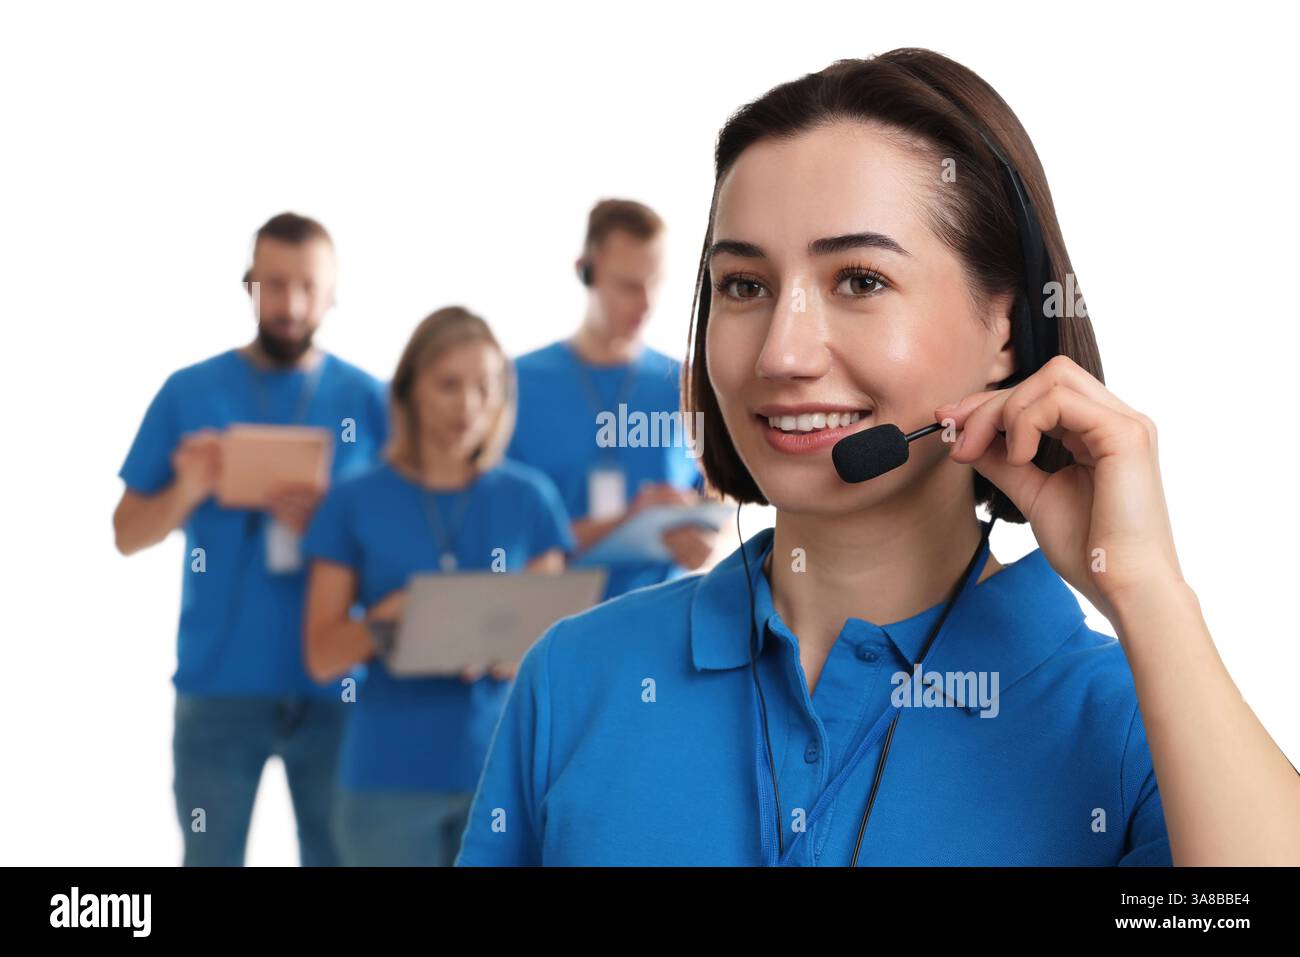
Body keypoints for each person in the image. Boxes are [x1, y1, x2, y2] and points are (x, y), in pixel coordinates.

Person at [456, 50, 1300, 866]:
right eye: (744, 286)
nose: (781, 354)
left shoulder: (1133, 724)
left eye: (858, 280)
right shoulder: (575, 678)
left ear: (1005, 326)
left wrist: (1147, 587)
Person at [113, 212, 389, 866]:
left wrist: (332, 524)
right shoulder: (189, 392)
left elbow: (400, 550)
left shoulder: (372, 402)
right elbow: (126, 534)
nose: (290, 304)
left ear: (333, 292)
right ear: (248, 286)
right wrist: (187, 487)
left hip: (336, 689)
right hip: (217, 688)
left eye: (305, 286)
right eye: (273, 284)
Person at [302, 306, 574, 866]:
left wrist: (510, 652)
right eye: (449, 385)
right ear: (410, 391)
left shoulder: (530, 500)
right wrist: (393, 619)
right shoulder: (354, 501)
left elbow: (550, 651)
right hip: (386, 783)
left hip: (501, 777)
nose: (469, 406)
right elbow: (322, 655)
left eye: (485, 387)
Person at [507, 199, 720, 600]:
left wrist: (704, 540)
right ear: (585, 272)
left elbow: (717, 508)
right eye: (628, 285)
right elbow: (502, 541)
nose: (646, 303)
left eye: (655, 283)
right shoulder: (513, 386)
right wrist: (627, 522)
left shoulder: (688, 385)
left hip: (663, 624)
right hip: (550, 625)